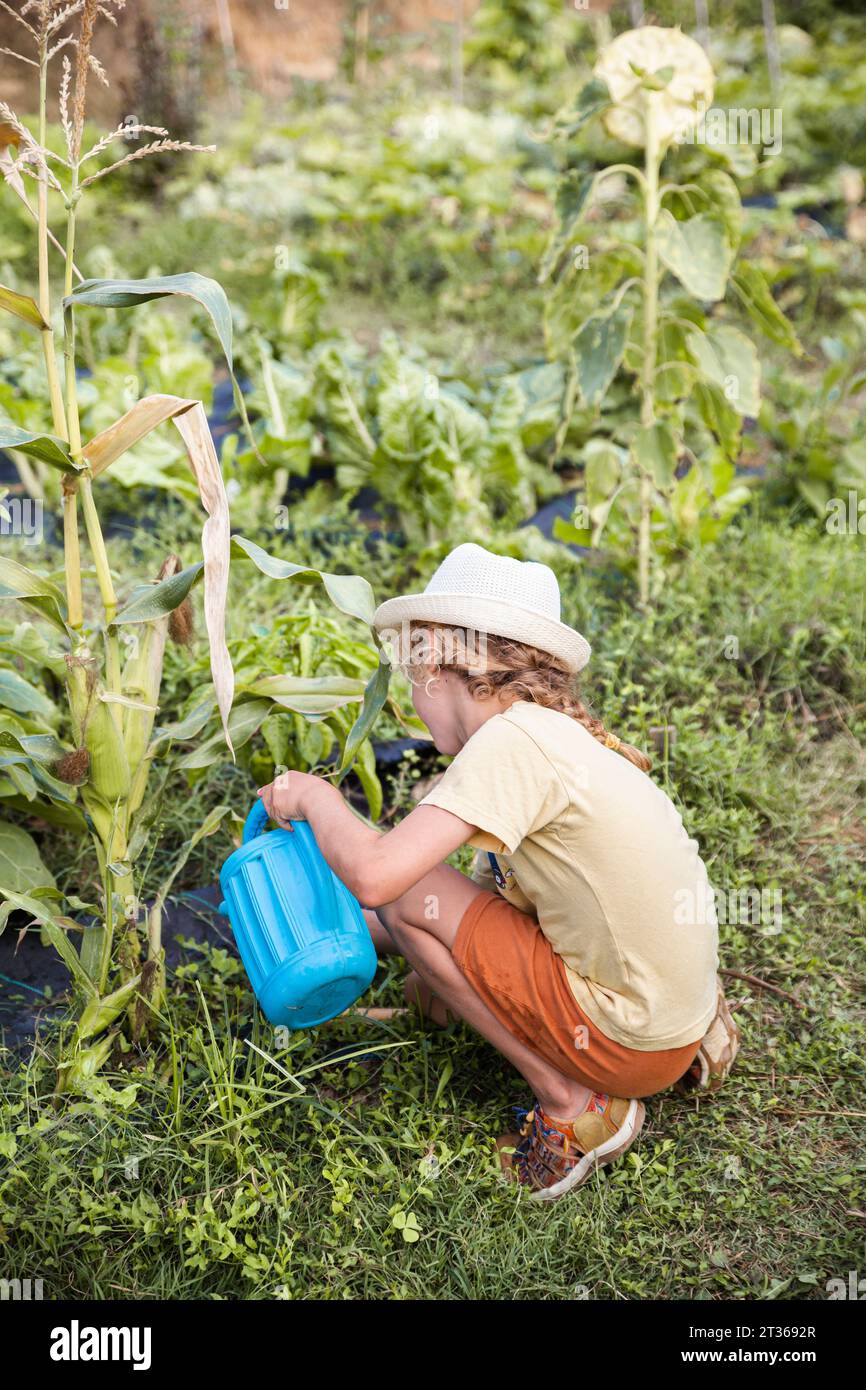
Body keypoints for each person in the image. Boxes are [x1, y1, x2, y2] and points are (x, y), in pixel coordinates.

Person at [257, 543, 740, 1200]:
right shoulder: (548, 736)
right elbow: (482, 908)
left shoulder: (508, 747)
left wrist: (318, 798)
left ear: (440, 663)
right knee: (426, 904)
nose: (411, 701)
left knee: (410, 893)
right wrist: (354, 931)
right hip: (676, 1020)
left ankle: (578, 1106)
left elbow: (379, 879)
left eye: (410, 678)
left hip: (631, 1043)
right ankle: (672, 1047)